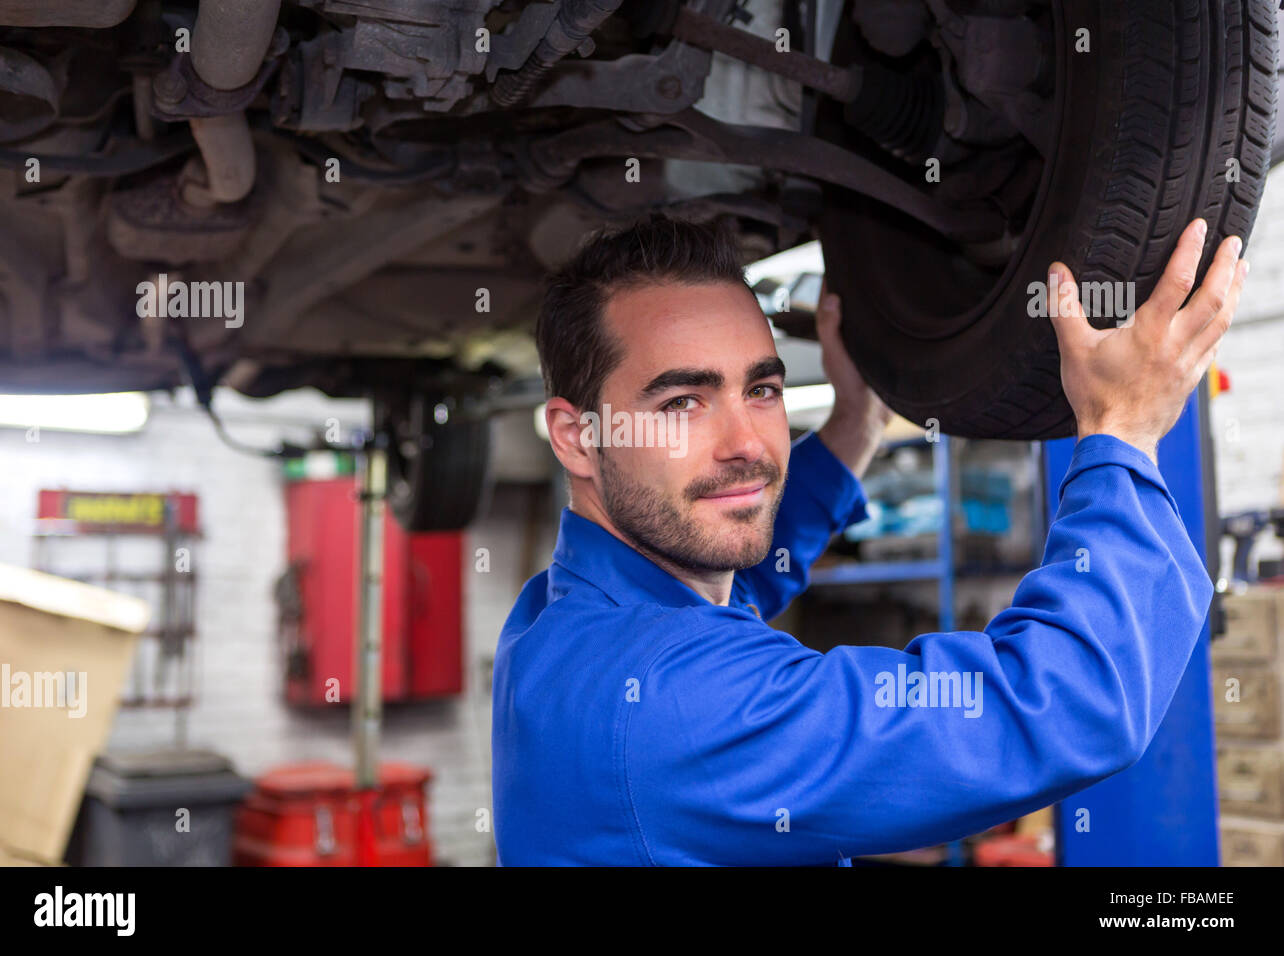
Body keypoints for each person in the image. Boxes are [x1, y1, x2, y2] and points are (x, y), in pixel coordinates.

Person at [491, 213, 1248, 865]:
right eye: (684, 401)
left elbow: (720, 576)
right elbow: (1064, 705)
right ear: (576, 436)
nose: (748, 444)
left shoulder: (561, 621)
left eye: (760, 389)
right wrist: (1121, 432)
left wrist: (855, 424)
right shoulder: (681, 706)